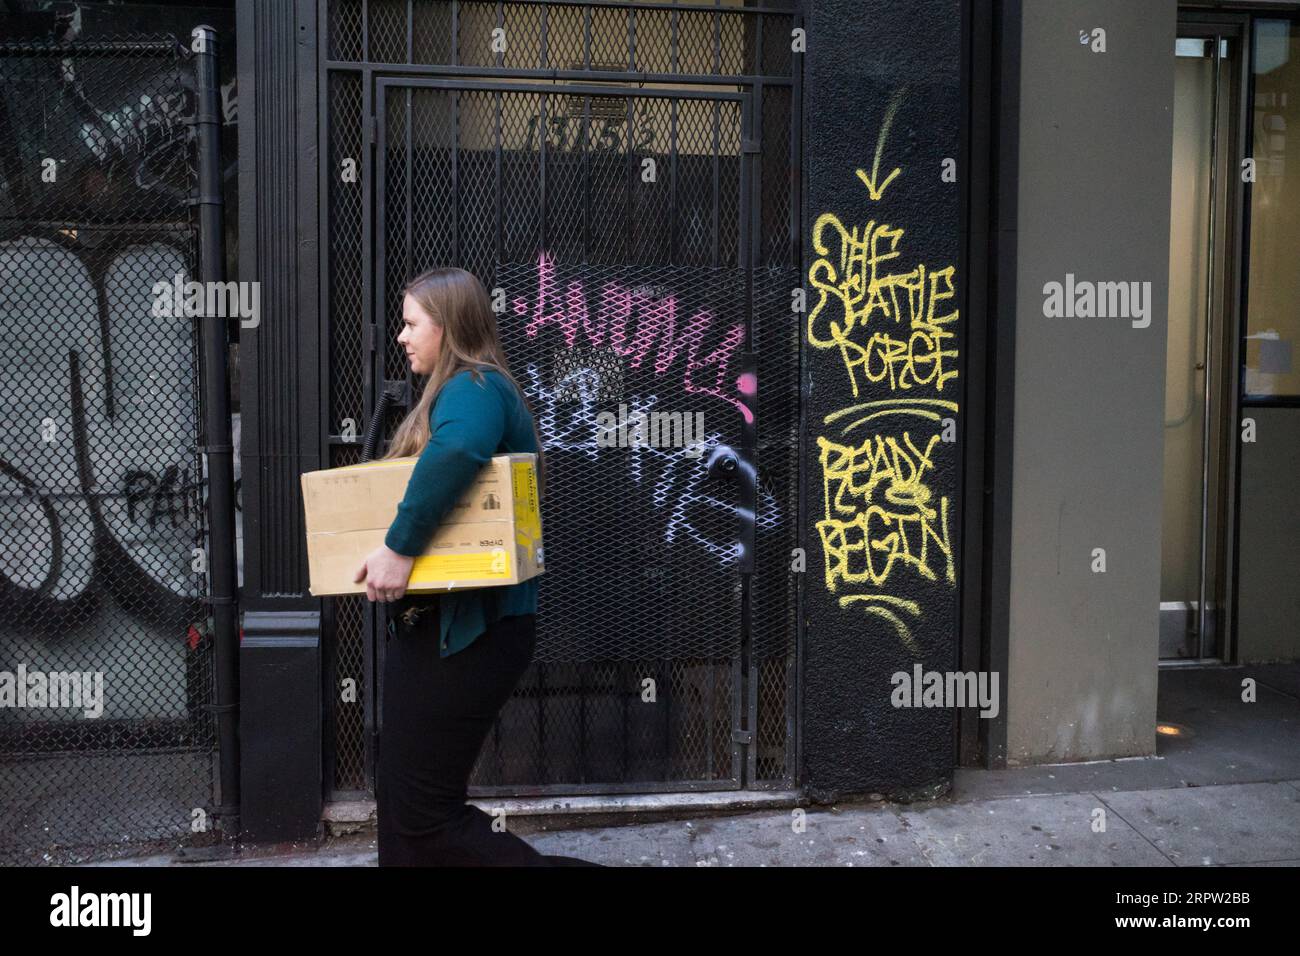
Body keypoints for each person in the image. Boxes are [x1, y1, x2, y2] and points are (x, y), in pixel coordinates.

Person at [354, 266, 600, 867]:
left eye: (412, 324)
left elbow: (459, 449)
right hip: (448, 629)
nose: (402, 337)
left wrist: (398, 547)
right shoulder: (467, 389)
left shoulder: (474, 387)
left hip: (469, 632)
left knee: (423, 812)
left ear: (448, 325)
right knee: (409, 802)